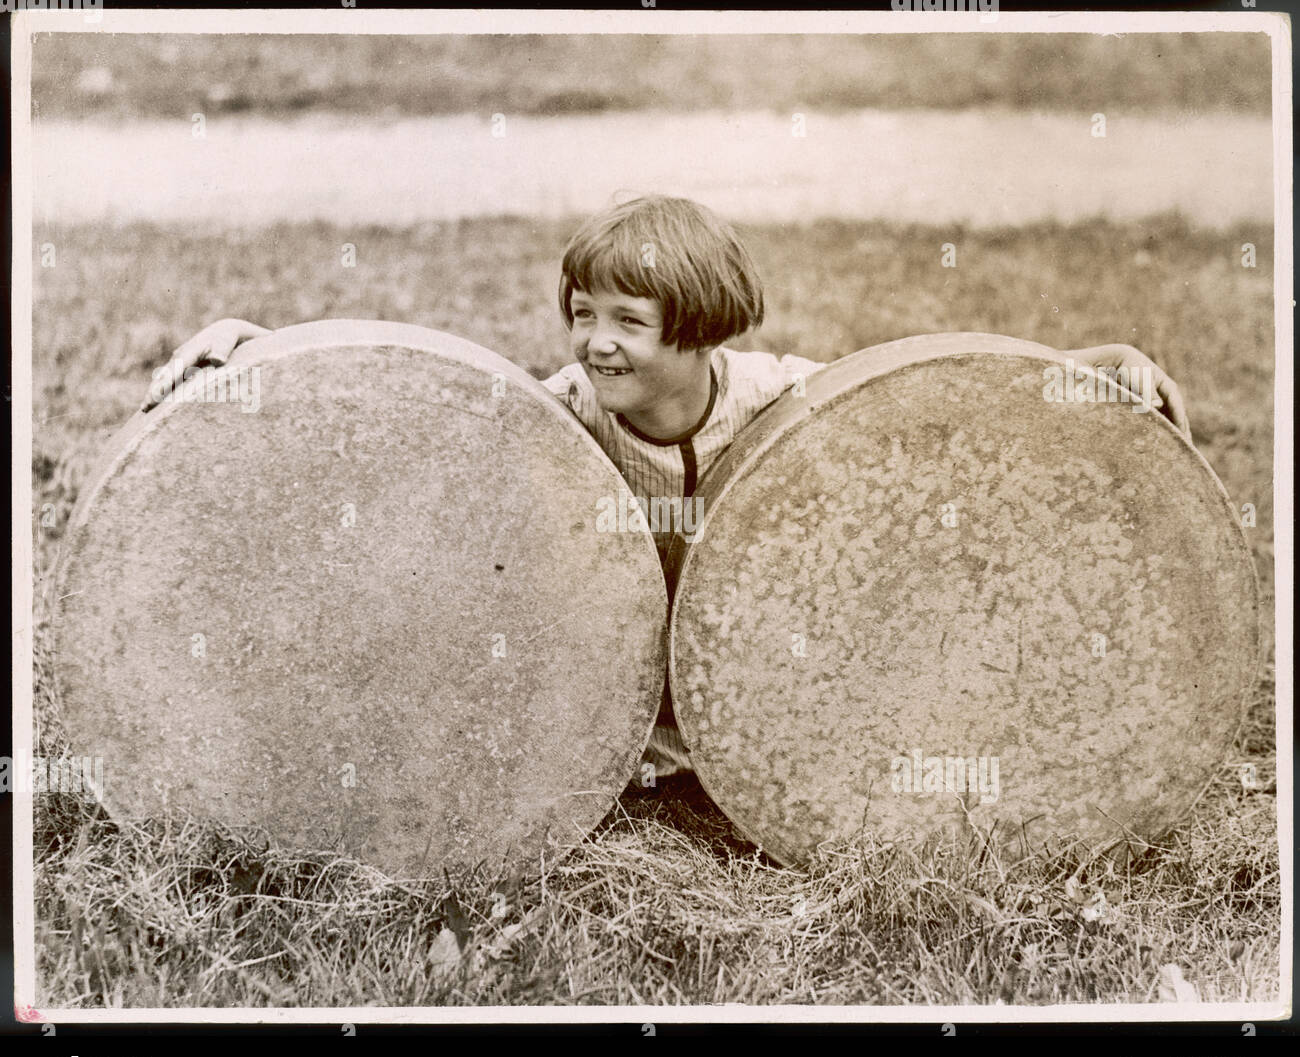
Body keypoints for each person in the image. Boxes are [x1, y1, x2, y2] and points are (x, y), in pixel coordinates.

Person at [145, 194, 1191, 778]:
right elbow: (417, 408)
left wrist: (1098, 360)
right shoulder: (561, 414)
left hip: (771, 672)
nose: (595, 342)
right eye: (582, 312)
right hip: (625, 691)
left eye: (626, 323)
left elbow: (941, 398)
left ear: (696, 331)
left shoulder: (787, 403)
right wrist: (260, 346)